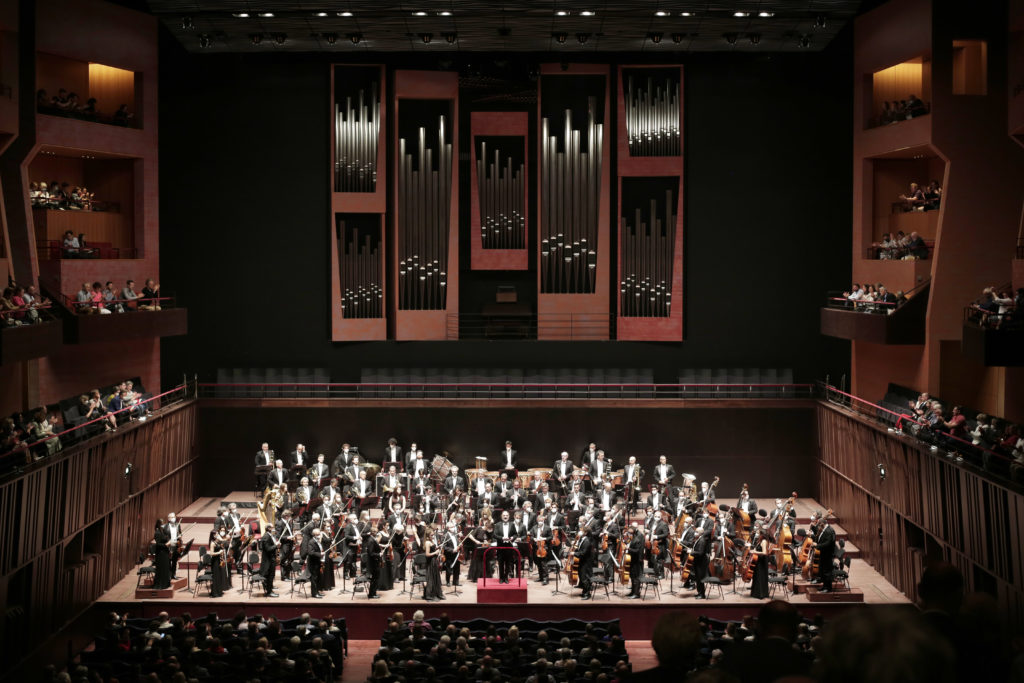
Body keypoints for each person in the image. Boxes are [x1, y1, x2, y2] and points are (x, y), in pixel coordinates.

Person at [814, 511, 836, 592]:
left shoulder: (830, 531)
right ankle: (824, 586)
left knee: (827, 571)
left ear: (822, 524)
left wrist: (817, 546)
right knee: (823, 570)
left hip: (828, 554)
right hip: (823, 554)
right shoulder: (824, 529)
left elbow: (828, 544)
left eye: (819, 525)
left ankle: (828, 588)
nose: (818, 527)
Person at [423, 525, 445, 601]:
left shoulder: (431, 541)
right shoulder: (427, 543)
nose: (433, 536)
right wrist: (435, 552)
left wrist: (437, 548)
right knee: (431, 578)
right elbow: (427, 554)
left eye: (433, 535)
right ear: (428, 535)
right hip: (430, 562)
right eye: (431, 535)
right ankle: (430, 595)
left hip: (434, 561)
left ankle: (438, 593)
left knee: (436, 577)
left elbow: (433, 549)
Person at [625, 523, 646, 599]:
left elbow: (637, 550)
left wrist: (628, 549)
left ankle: (636, 593)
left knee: (636, 577)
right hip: (633, 559)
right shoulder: (635, 535)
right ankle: (633, 592)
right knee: (632, 576)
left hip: (637, 560)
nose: (628, 534)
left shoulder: (638, 537)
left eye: (629, 533)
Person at [259, 530, 280, 597]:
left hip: (271, 559)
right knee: (269, 576)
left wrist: (276, 545)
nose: (274, 529)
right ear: (269, 528)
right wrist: (276, 546)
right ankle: (269, 592)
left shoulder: (269, 536)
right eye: (272, 527)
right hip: (268, 560)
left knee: (272, 576)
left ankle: (270, 589)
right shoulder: (266, 537)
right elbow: (268, 549)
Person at [152, 520, 172, 590]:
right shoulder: (157, 533)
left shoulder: (162, 531)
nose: (163, 524)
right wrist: (166, 545)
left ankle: (166, 584)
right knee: (161, 569)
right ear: (159, 524)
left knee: (166, 568)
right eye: (162, 523)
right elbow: (157, 544)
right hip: (160, 554)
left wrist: (169, 540)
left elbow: (165, 538)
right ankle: (161, 585)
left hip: (165, 553)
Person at [364, 527, 382, 598]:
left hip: (375, 562)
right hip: (373, 563)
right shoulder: (371, 540)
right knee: (374, 579)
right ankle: (372, 594)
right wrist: (379, 554)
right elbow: (371, 553)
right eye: (376, 532)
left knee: (375, 578)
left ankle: (373, 593)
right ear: (373, 533)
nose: (377, 534)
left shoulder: (372, 539)